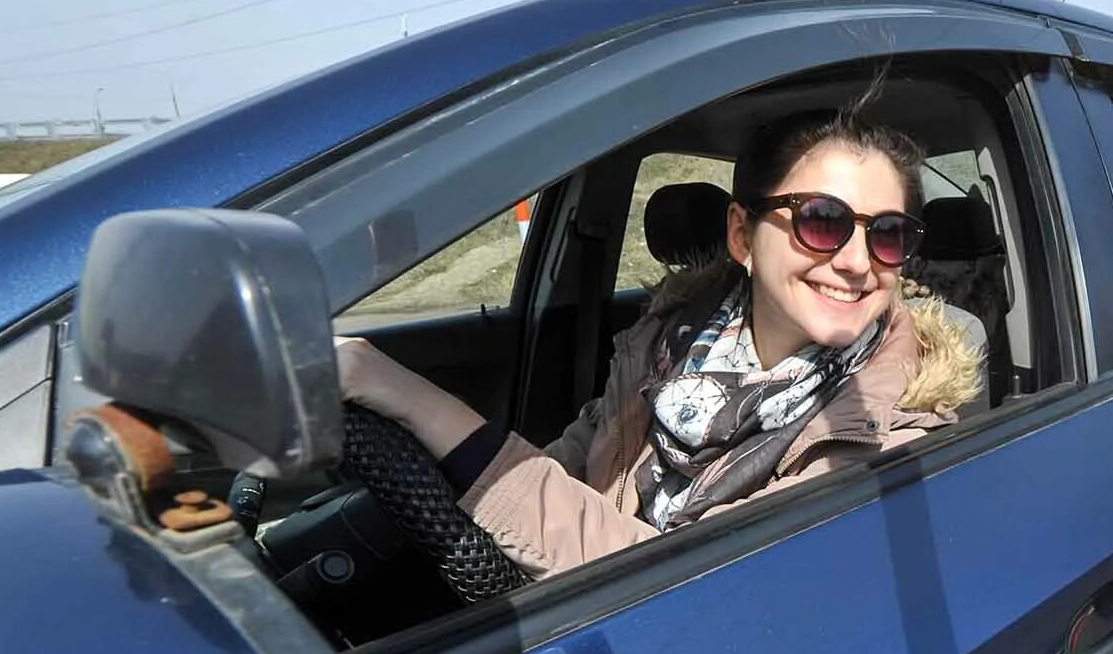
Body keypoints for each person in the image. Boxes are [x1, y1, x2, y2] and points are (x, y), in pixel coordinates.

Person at [337, 103, 984, 579]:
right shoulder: (668, 342)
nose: (855, 260)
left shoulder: (884, 441)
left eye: (889, 233)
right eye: (822, 220)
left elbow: (670, 579)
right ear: (741, 236)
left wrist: (415, 399)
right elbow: (566, 470)